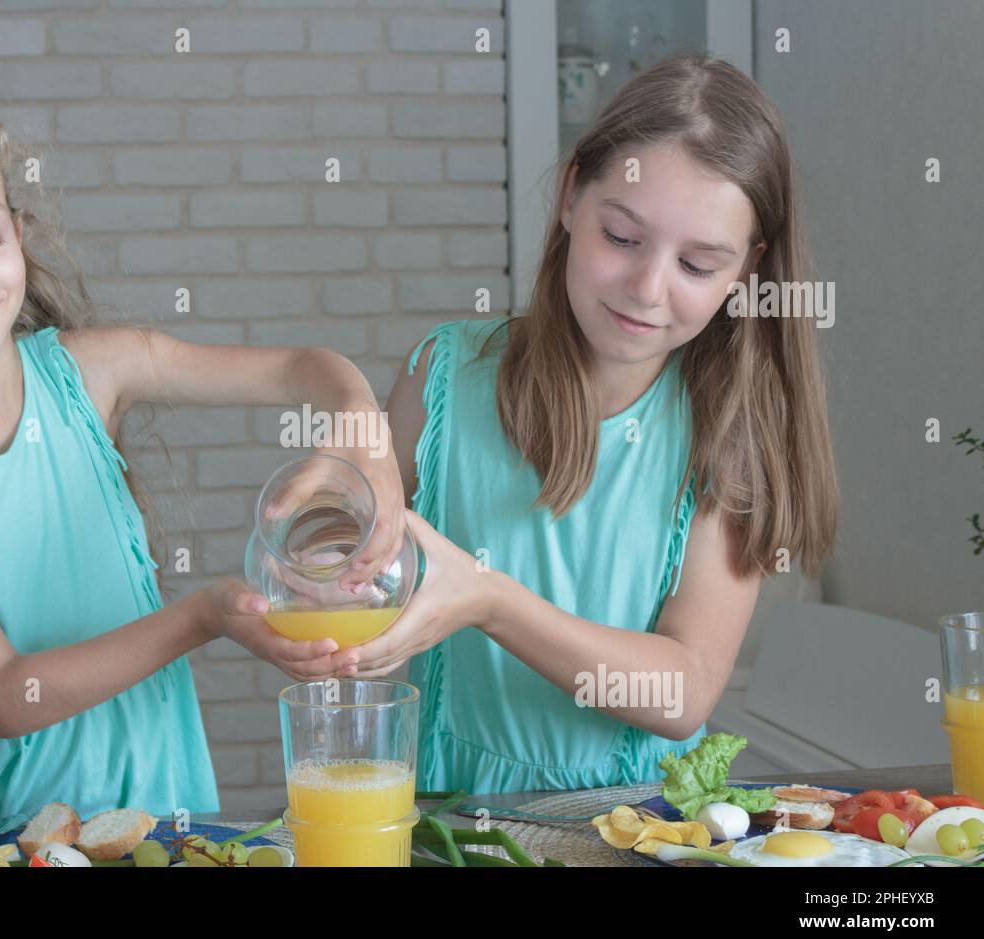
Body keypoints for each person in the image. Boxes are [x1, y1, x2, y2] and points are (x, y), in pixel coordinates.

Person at [0, 92, 404, 831]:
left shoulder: (94, 370)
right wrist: (206, 616)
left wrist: (362, 428)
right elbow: (5, 696)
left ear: (20, 235)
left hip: (159, 813)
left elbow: (302, 367)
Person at [335, 55, 840, 794]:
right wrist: (331, 570)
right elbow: (359, 558)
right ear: (572, 195)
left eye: (698, 265)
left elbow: (683, 693)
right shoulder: (440, 377)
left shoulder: (731, 432)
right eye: (623, 237)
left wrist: (490, 600)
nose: (647, 288)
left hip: (637, 828)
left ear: (747, 271)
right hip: (447, 816)